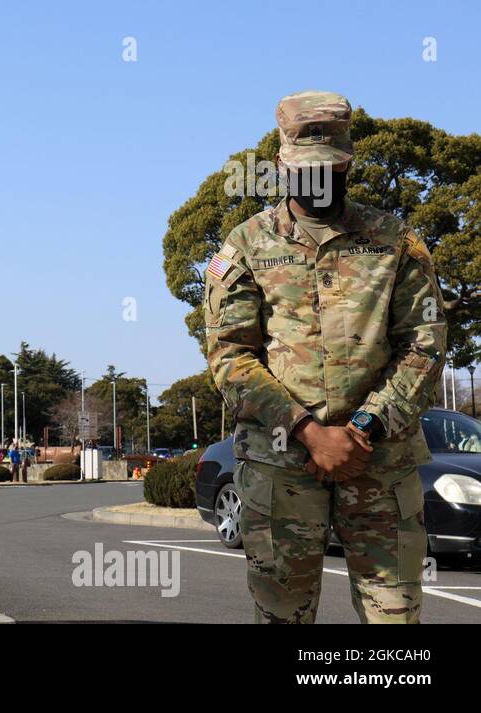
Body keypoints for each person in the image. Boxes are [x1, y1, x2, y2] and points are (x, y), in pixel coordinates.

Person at [204, 90, 446, 623]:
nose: (317, 182)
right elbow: (231, 357)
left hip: (379, 465)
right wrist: (309, 432)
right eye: (304, 170)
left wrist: (363, 429)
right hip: (282, 466)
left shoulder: (396, 241)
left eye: (329, 169)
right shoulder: (245, 246)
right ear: (281, 166)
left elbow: (424, 345)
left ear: (348, 164)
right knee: (282, 616)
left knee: (395, 621)